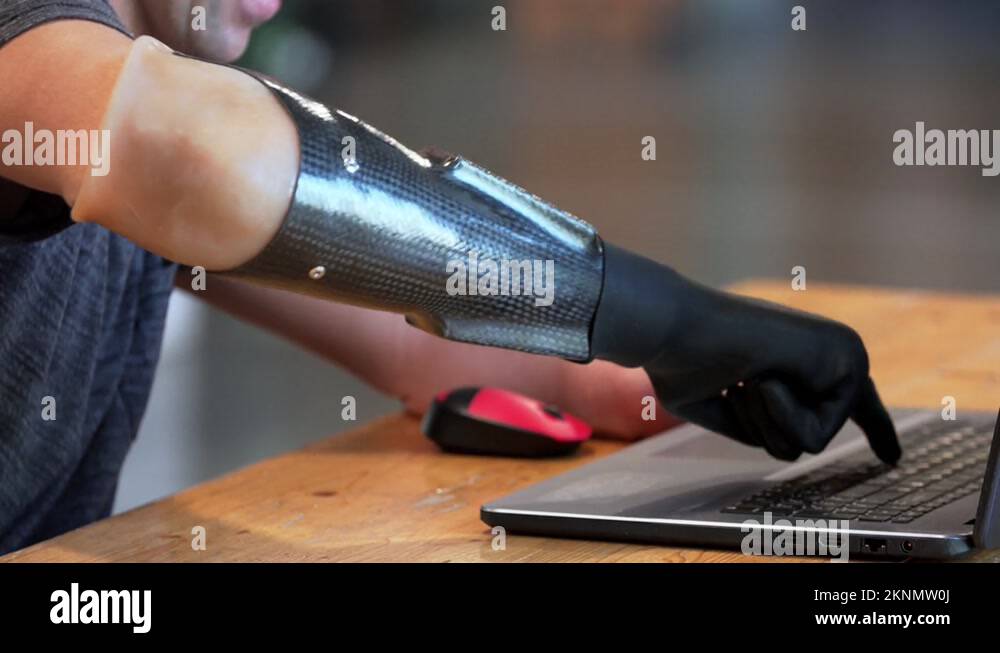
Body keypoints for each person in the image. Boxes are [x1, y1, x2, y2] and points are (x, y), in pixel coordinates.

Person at [0, 0, 899, 554]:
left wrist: (685, 373)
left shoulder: (142, 96)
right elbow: (198, 154)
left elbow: (410, 334)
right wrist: (657, 315)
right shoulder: (49, 65)